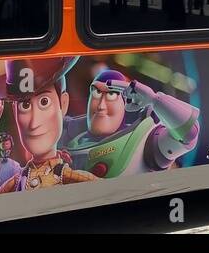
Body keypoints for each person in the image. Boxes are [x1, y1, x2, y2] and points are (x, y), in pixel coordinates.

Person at [0, 57, 99, 191]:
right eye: (25, 105)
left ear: (63, 104)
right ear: (15, 112)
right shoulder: (18, 180)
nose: (34, 122)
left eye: (44, 102)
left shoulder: (69, 175)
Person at [61, 69, 200, 178]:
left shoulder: (143, 141)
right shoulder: (65, 136)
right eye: (96, 93)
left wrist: (155, 100)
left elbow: (189, 134)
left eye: (111, 95)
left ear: (125, 102)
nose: (101, 106)